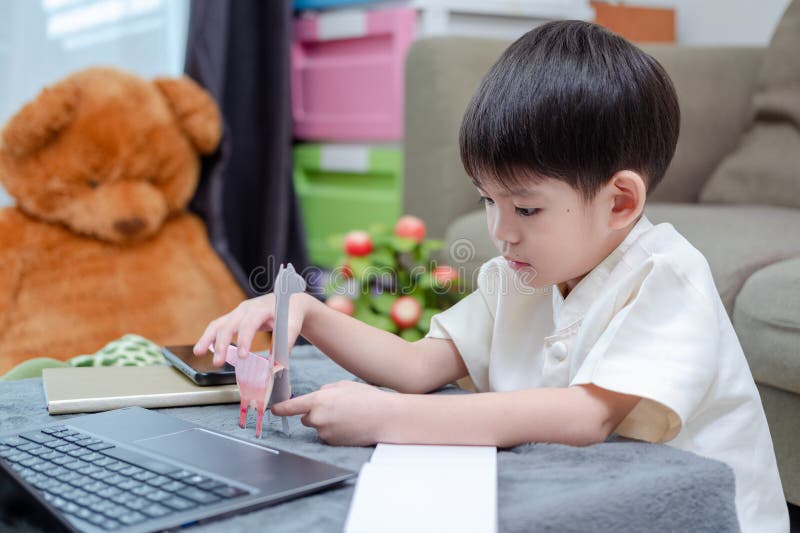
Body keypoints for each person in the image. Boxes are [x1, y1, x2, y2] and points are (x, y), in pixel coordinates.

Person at [194, 20, 788, 532]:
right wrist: (308, 313)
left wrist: (392, 420)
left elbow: (585, 416)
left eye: (525, 209)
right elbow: (418, 365)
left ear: (620, 202)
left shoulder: (666, 276)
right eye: (487, 200)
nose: (500, 231)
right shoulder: (519, 273)